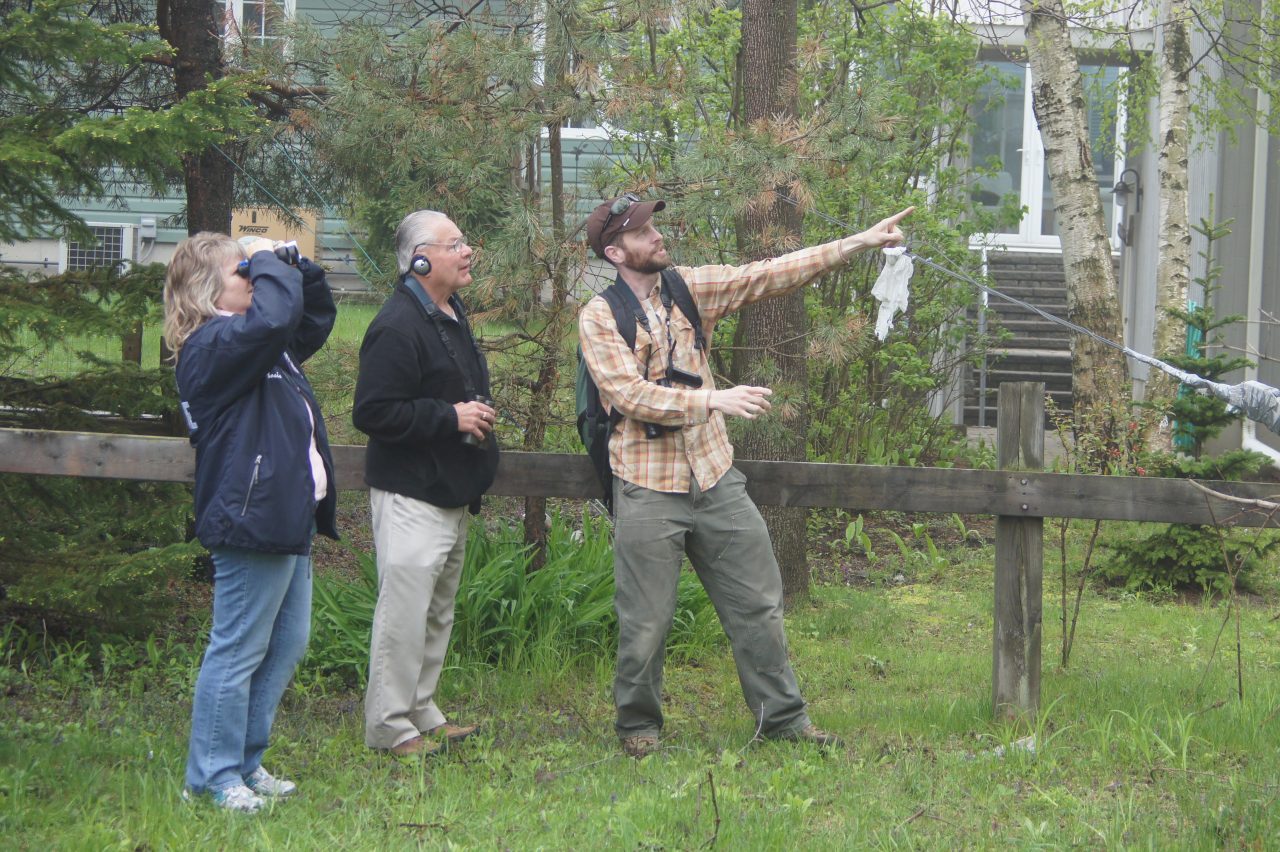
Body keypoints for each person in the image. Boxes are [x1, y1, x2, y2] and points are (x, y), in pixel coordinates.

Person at [579, 195, 913, 758]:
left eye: (655, 225)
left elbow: (769, 274)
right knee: (646, 622)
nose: (657, 236)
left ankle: (782, 719)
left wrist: (860, 241)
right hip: (646, 485)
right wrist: (715, 400)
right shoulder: (598, 316)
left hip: (715, 478)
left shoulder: (687, 288)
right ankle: (639, 729)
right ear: (616, 252)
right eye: (643, 232)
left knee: (758, 602)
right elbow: (626, 395)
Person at [164, 232, 338, 812]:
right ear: (208, 288)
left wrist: (295, 264)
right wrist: (267, 260)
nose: (255, 275)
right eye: (243, 269)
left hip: (285, 515)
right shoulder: (213, 343)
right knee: (237, 649)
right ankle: (210, 779)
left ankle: (244, 763)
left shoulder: (257, 342)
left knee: (286, 644)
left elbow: (311, 318)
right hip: (250, 517)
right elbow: (273, 321)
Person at [353, 210, 499, 757]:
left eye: (465, 241)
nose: (467, 252)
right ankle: (389, 727)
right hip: (411, 494)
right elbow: (372, 411)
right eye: (454, 244)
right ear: (420, 259)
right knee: (404, 615)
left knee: (436, 612)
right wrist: (450, 417)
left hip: (450, 493)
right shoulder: (396, 325)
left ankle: (421, 709)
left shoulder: (447, 311)